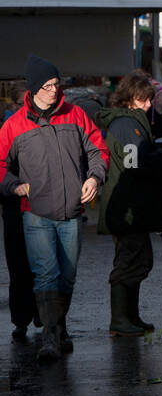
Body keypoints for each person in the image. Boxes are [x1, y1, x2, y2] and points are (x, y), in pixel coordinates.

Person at [0, 55, 108, 363]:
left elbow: (98, 150)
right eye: (47, 86)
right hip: (34, 213)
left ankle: (59, 326)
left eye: (56, 84)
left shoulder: (76, 115)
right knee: (46, 274)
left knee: (67, 275)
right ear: (33, 89)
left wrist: (94, 177)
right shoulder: (13, 125)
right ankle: (49, 337)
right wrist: (13, 185)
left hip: (71, 210)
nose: (53, 91)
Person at [97, 71, 162, 336]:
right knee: (129, 261)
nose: (149, 105)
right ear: (131, 99)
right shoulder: (127, 125)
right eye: (144, 100)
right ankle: (120, 320)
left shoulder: (130, 122)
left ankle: (130, 316)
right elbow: (134, 162)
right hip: (128, 207)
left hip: (132, 205)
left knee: (139, 259)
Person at [0, 81, 38, 341]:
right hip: (15, 202)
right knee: (22, 262)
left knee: (36, 262)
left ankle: (29, 317)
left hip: (33, 202)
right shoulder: (9, 127)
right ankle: (24, 317)